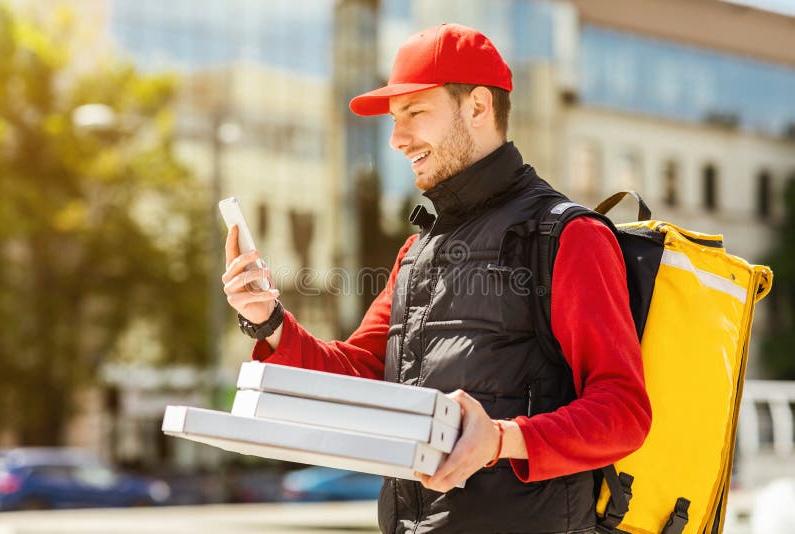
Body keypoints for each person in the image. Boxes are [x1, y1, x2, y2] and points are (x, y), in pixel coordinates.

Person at [222, 23, 651, 534]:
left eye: (415, 113)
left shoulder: (567, 236)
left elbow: (624, 413)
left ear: (477, 108)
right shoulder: (417, 251)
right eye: (394, 119)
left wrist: (499, 438)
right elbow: (359, 375)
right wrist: (267, 321)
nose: (397, 139)